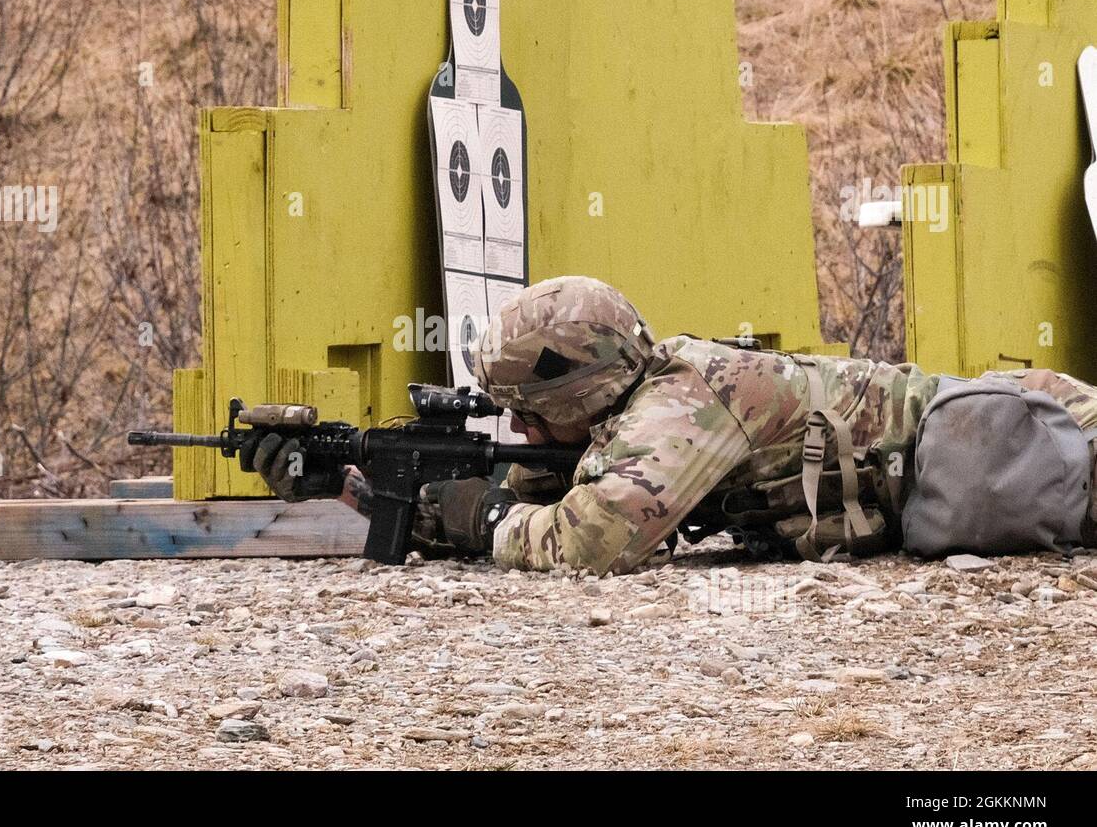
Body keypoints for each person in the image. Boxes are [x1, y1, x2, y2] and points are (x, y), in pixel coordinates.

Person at [252, 276, 1097, 574]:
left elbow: (588, 544)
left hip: (1035, 437)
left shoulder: (682, 405)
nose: (519, 431)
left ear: (579, 399)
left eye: (529, 415)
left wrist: (488, 517)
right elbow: (537, 485)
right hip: (997, 447)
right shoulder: (637, 394)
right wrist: (358, 485)